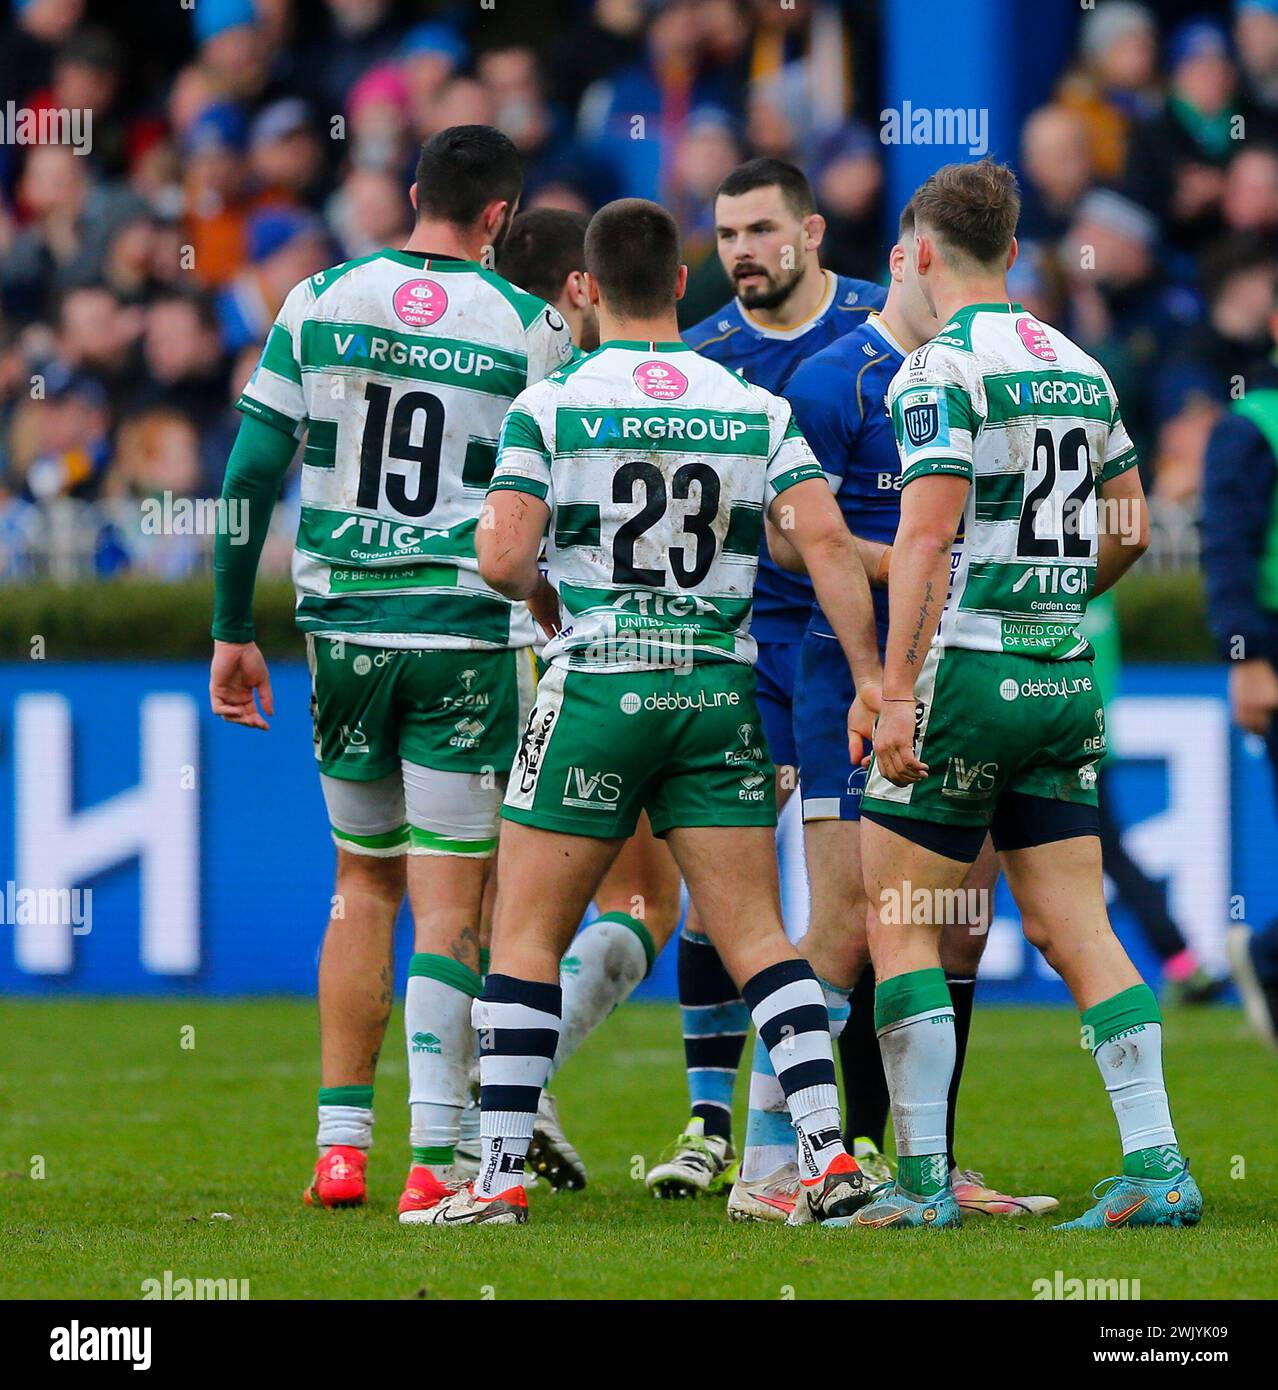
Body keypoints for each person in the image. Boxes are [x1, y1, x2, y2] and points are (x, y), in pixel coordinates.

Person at [421, 197, 883, 1227]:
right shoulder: (751, 407)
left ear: (583, 289)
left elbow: (500, 558)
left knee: (528, 935)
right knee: (761, 934)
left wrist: (545, 595)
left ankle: (493, 1177)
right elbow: (830, 549)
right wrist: (867, 678)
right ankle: (825, 1157)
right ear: (684, 283)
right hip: (715, 684)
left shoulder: (555, 404)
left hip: (595, 681)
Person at [208, 125, 573, 1219]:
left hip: (345, 631)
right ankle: (436, 1155)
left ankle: (339, 1148)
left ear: (415, 194)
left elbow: (248, 472)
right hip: (465, 632)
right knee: (451, 899)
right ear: (503, 218)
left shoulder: (318, 297)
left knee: (361, 880)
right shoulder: (531, 325)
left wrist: (233, 626)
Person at [855, 158, 1201, 1232]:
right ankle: (1158, 1164)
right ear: (1013, 253)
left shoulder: (935, 371)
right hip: (1061, 674)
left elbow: (925, 535)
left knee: (904, 921)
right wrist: (1056, 596)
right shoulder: (1081, 367)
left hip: (966, 667)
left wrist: (900, 688)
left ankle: (919, 1185)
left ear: (916, 253)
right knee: (1077, 927)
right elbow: (1132, 527)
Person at [727, 200, 1057, 1223]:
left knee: (956, 929)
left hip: (964, 678)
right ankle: (765, 1168)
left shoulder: (983, 377)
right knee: (843, 930)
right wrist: (917, 565)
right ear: (910, 258)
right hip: (853, 675)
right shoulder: (834, 380)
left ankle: (930, 1164)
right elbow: (791, 539)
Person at [646, 157, 889, 1197]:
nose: (739, 250)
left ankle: (861, 1133)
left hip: (849, 649)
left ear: (813, 231)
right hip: (746, 655)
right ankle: (711, 1122)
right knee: (722, 893)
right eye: (726, 233)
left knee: (866, 902)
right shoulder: (705, 358)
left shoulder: (882, 333)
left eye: (758, 230)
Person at [1203, 282, 1278, 1047]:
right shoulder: (1253, 424)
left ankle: (1267, 956)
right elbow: (1227, 545)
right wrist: (1247, 656)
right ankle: (1265, 955)